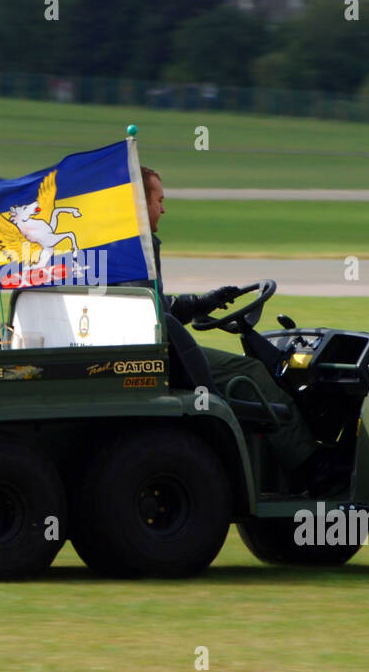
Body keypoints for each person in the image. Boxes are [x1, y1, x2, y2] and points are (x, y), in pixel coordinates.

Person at [139, 166, 347, 494]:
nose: (163, 208)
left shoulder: (124, 248)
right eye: (158, 200)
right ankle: (312, 465)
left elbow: (159, 308)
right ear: (141, 202)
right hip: (162, 355)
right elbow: (159, 315)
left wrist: (202, 302)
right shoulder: (141, 247)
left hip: (152, 351)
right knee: (251, 373)